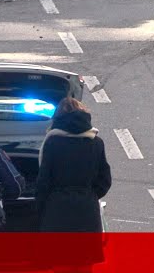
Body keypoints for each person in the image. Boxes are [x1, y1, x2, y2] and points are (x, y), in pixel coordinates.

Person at [36, 97, 113, 232]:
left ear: (57, 118)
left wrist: (44, 205)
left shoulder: (52, 142)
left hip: (58, 210)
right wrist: (88, 195)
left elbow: (43, 181)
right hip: (87, 211)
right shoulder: (96, 142)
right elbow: (105, 180)